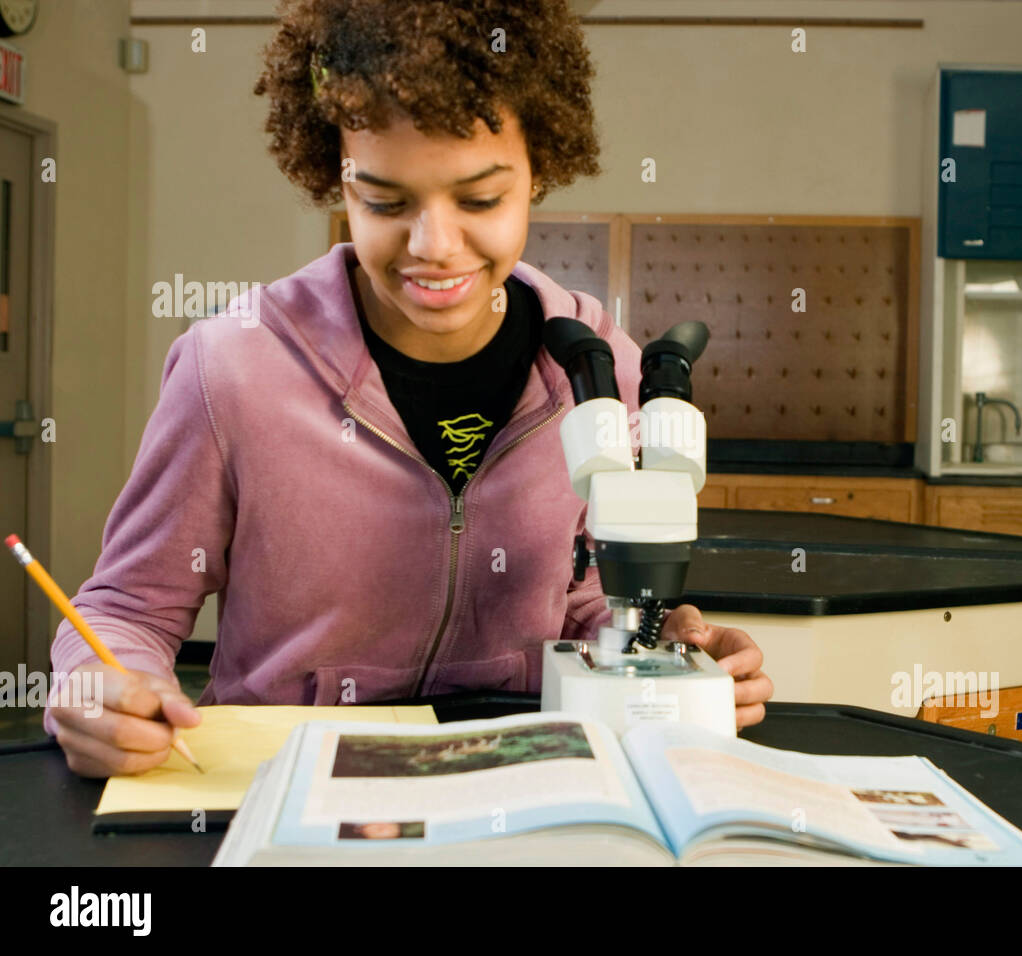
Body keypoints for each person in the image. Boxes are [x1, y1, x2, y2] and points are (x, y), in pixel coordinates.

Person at [46, 0, 773, 777]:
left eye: (480, 199)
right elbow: (127, 608)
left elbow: (585, 598)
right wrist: (101, 682)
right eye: (386, 202)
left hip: (521, 788)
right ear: (336, 176)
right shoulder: (231, 369)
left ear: (540, 170)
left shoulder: (603, 371)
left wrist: (668, 649)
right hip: (286, 794)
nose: (433, 247)